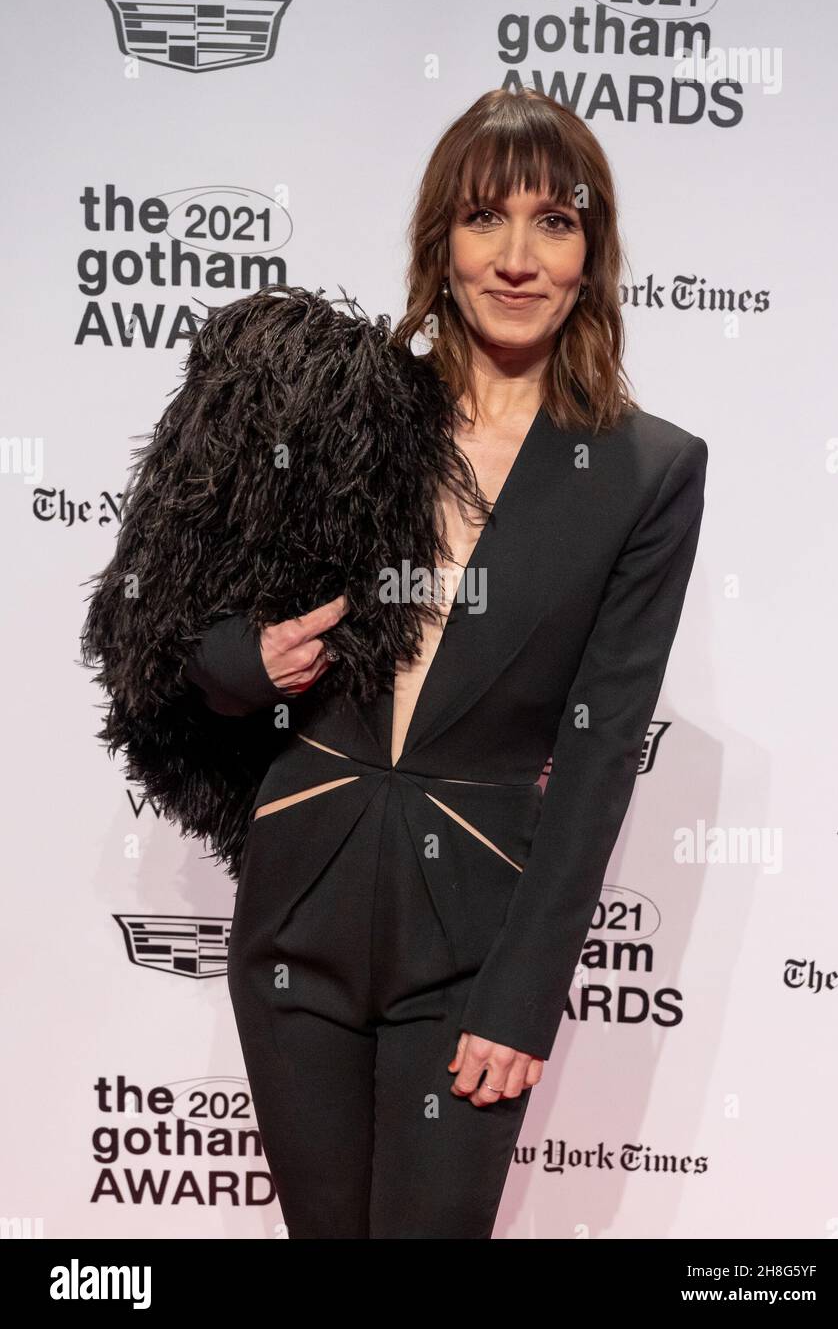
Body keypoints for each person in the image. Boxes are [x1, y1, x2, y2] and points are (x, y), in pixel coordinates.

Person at [183, 87, 708, 1238]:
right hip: (300, 911)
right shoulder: (343, 414)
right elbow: (193, 632)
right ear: (441, 242)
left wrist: (521, 999)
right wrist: (254, 661)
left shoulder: (643, 471)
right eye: (483, 220)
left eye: (552, 224)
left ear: (591, 254)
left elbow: (601, 750)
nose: (515, 259)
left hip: (470, 940)